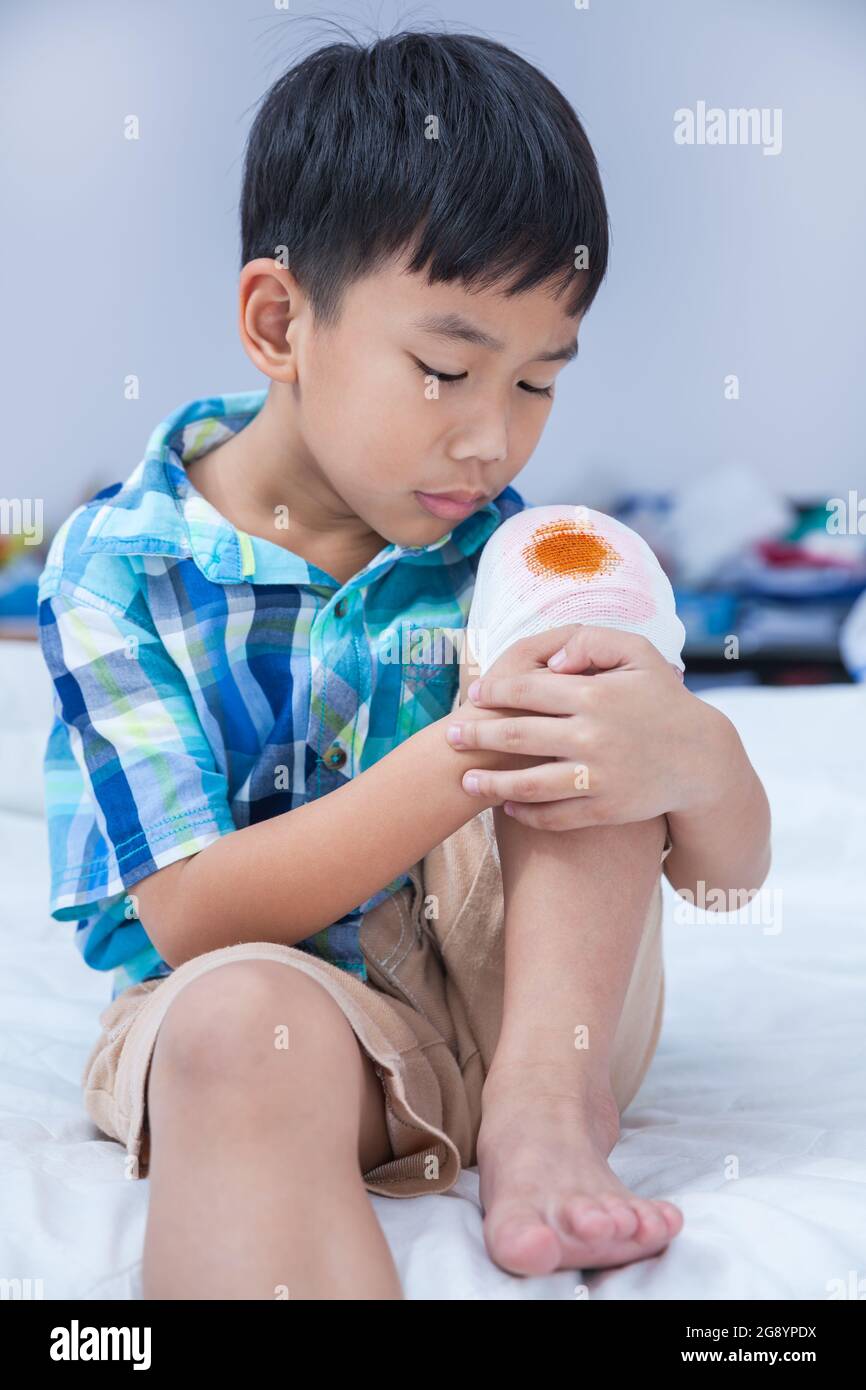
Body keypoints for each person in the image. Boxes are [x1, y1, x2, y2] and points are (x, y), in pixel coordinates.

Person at [36, 30, 770, 1299]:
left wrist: (694, 753)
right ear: (278, 320)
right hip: (292, 1019)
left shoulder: (519, 556)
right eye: (442, 369)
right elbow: (191, 912)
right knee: (231, 1029)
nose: (492, 437)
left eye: (537, 379)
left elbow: (721, 880)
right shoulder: (119, 567)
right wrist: (464, 753)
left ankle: (542, 1114)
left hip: (538, 1020)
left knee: (583, 683)